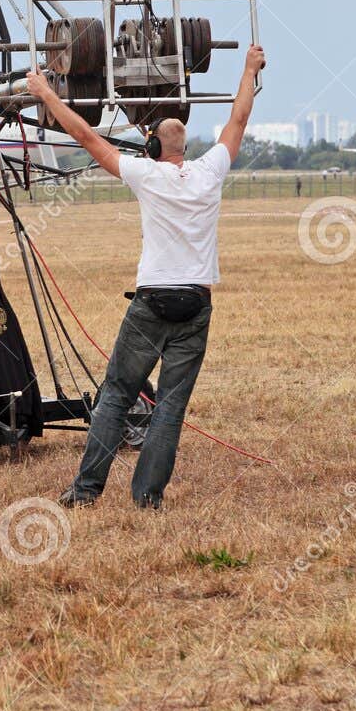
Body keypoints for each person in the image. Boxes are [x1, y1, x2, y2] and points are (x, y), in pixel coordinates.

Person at [25, 43, 266, 510]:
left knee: (116, 393)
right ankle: (148, 497)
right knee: (170, 408)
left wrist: (46, 93)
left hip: (152, 301)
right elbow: (237, 121)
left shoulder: (145, 174)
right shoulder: (209, 172)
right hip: (196, 303)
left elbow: (86, 137)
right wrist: (248, 70)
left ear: (153, 147)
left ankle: (86, 490)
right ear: (186, 147)